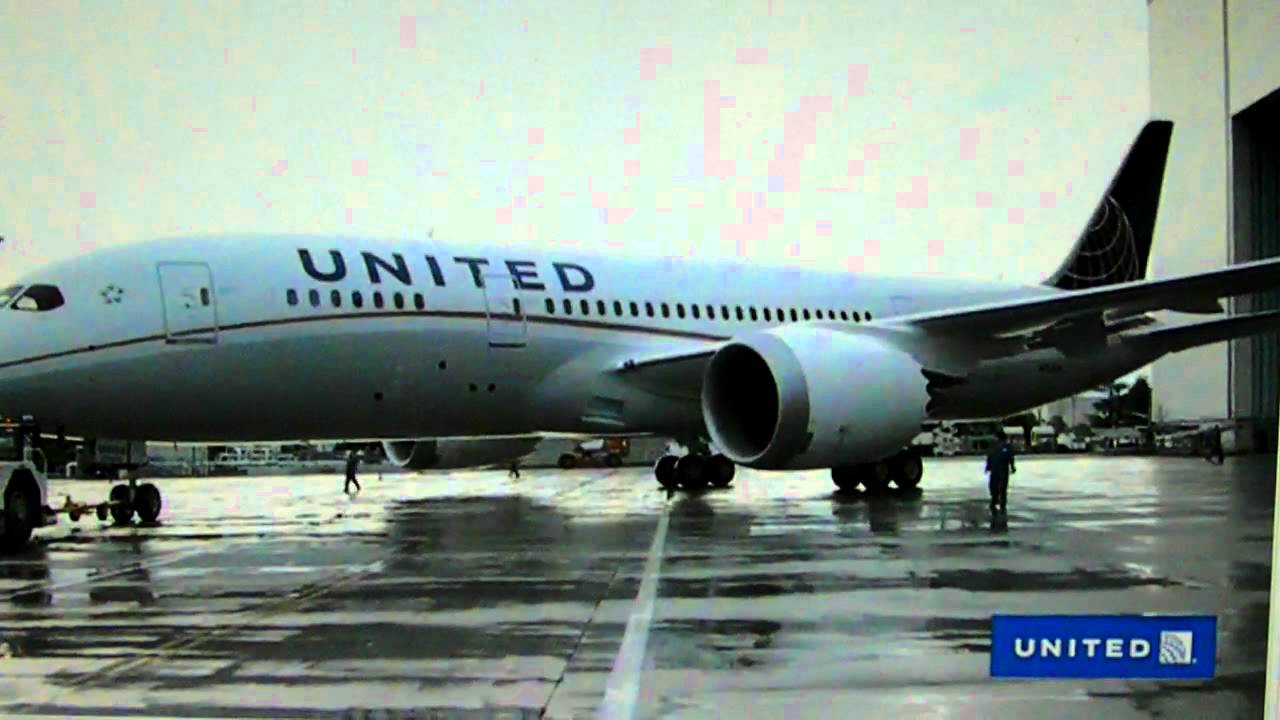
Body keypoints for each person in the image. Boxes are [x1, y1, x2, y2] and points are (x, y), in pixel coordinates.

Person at [985, 431, 1016, 513]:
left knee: (1001, 487)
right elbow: (989, 457)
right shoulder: (993, 446)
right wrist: (988, 466)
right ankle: (995, 501)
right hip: (995, 469)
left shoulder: (1007, 446)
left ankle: (1001, 503)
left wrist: (1012, 467)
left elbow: (1010, 457)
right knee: (994, 486)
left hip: (1002, 469)